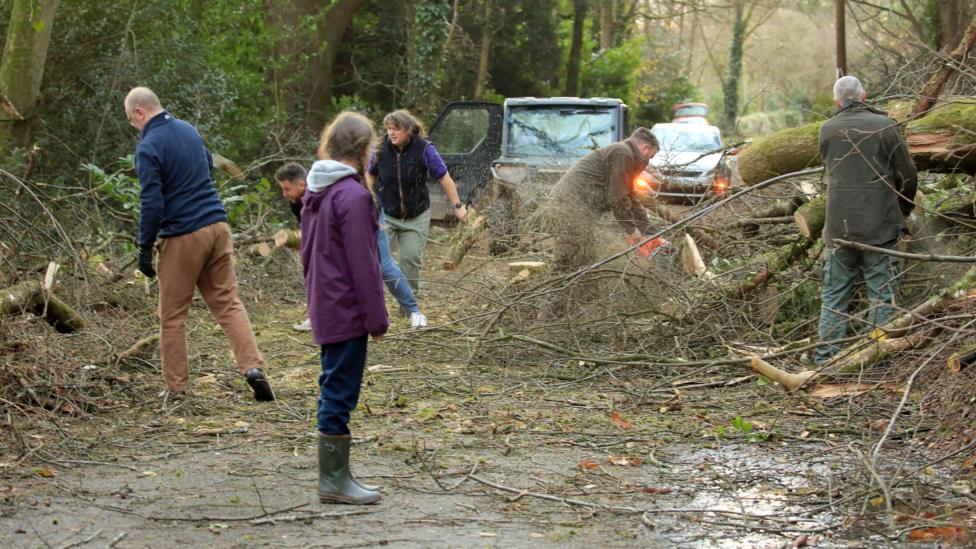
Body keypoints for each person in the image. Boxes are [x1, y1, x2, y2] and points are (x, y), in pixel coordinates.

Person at [124, 87, 274, 403]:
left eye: (132, 121)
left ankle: (176, 388)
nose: (135, 129)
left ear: (139, 112)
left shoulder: (149, 145)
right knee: (227, 302)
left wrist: (144, 246)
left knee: (173, 315)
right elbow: (207, 167)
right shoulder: (188, 130)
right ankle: (253, 369)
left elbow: (151, 201)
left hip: (183, 235)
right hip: (217, 226)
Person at [301, 111, 389, 505]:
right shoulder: (351, 195)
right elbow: (365, 265)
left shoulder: (316, 190)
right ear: (364, 150)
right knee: (339, 390)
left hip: (326, 302)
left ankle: (336, 476)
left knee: (333, 385)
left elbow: (307, 256)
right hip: (346, 309)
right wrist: (377, 318)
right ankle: (333, 480)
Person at [815, 75, 917, 364]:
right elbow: (908, 175)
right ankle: (875, 361)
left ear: (837, 101)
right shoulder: (886, 126)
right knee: (881, 298)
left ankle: (827, 361)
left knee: (834, 299)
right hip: (880, 227)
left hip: (838, 228)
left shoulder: (827, 130)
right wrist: (902, 209)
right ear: (865, 95)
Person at [276, 162, 428, 329]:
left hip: (366, 215)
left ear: (302, 184)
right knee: (319, 266)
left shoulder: (328, 192)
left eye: (287, 189)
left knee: (383, 266)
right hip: (340, 225)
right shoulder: (297, 203)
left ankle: (415, 313)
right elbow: (311, 235)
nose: (284, 194)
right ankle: (318, 316)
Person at [367, 110, 467, 294]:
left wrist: (458, 207)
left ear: (408, 130)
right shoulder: (380, 148)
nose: (391, 133)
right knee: (377, 258)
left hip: (416, 215)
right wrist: (366, 201)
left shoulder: (424, 149)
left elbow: (444, 177)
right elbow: (370, 175)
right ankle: (372, 299)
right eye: (389, 129)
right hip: (386, 215)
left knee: (410, 259)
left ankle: (408, 303)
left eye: (396, 129)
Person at [548, 127, 661, 271]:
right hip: (570, 204)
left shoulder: (625, 155)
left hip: (581, 206)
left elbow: (631, 196)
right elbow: (617, 197)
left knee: (585, 253)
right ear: (645, 148)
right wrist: (633, 231)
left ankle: (578, 289)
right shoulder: (623, 153)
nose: (648, 161)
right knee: (569, 253)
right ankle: (556, 288)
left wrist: (649, 231)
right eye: (650, 157)